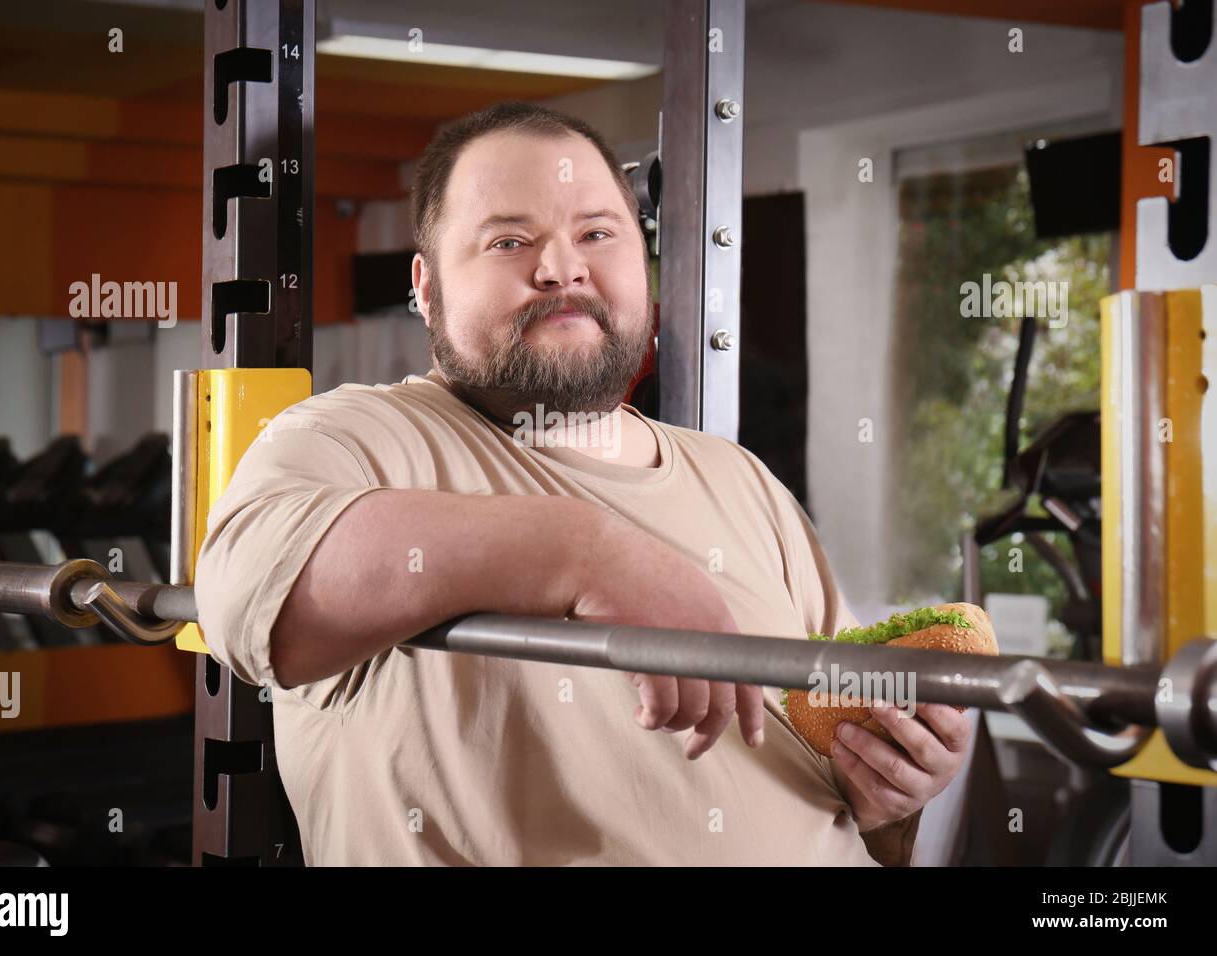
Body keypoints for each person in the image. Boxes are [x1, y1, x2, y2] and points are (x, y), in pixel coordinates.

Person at [193, 101, 971, 866]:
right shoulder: (356, 437)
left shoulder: (740, 479)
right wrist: (587, 551)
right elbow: (249, 595)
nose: (561, 266)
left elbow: (828, 777)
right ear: (426, 288)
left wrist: (887, 789)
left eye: (598, 233)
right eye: (508, 240)